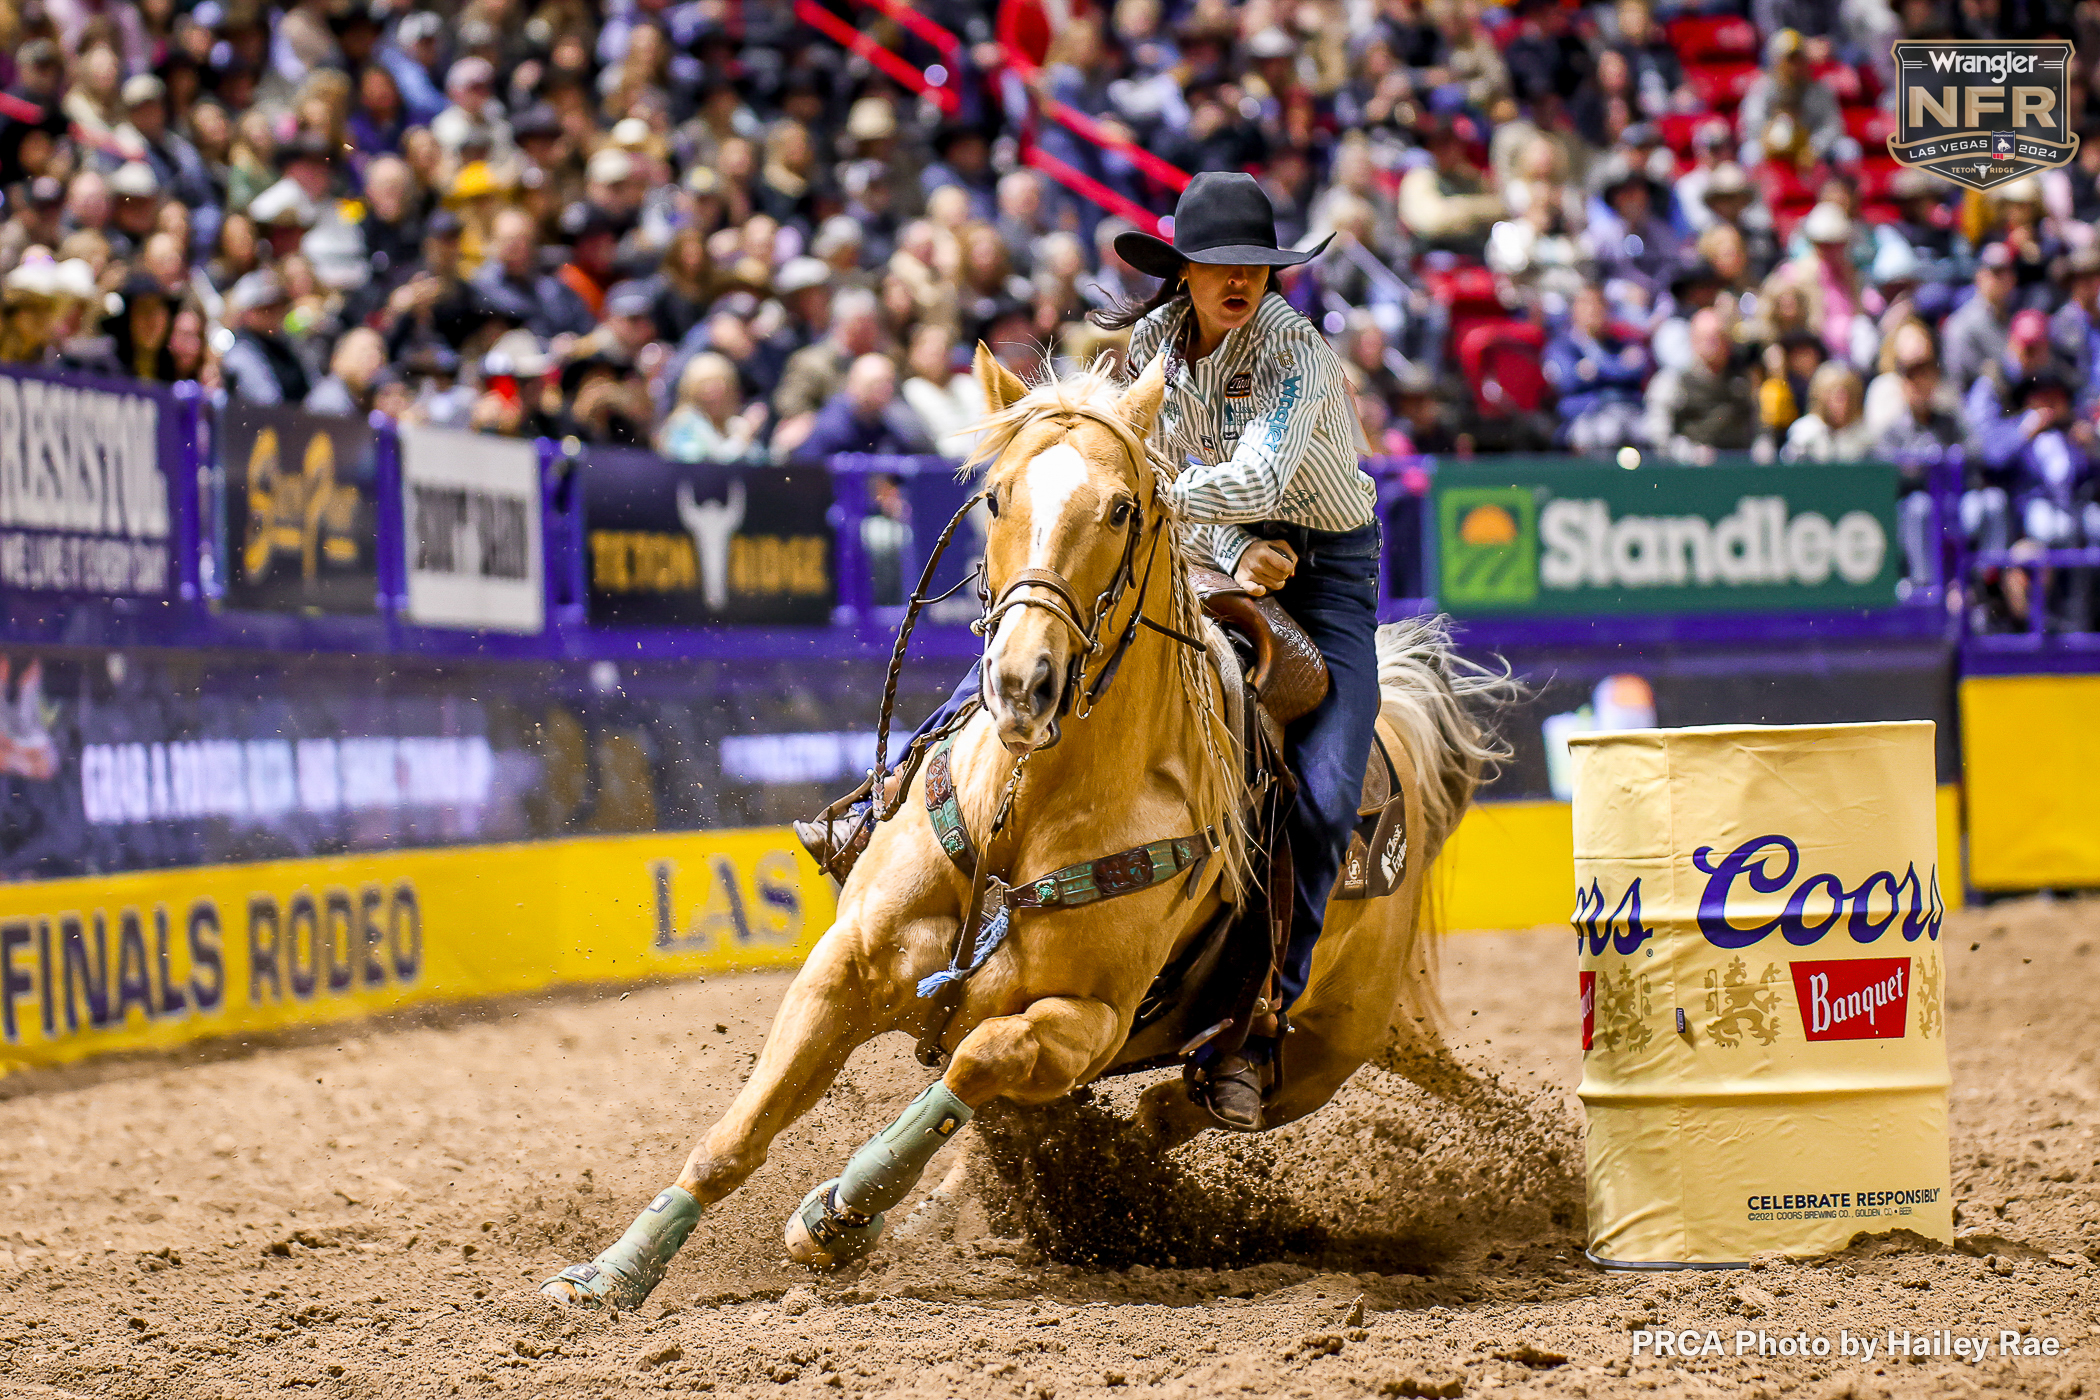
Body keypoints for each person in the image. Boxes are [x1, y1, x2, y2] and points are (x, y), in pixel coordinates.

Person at [798, 173, 1366, 1133]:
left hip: (1322, 569)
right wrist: (1130, 514)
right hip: (1183, 538)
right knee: (1046, 632)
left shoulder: (1299, 358)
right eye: (1216, 265)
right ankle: (890, 801)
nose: (1236, 281)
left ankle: (1260, 1020)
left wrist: (1119, 498)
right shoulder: (1150, 349)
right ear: (1181, 272)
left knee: (1323, 796)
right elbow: (1140, 477)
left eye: (1254, 268)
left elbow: (1264, 473)